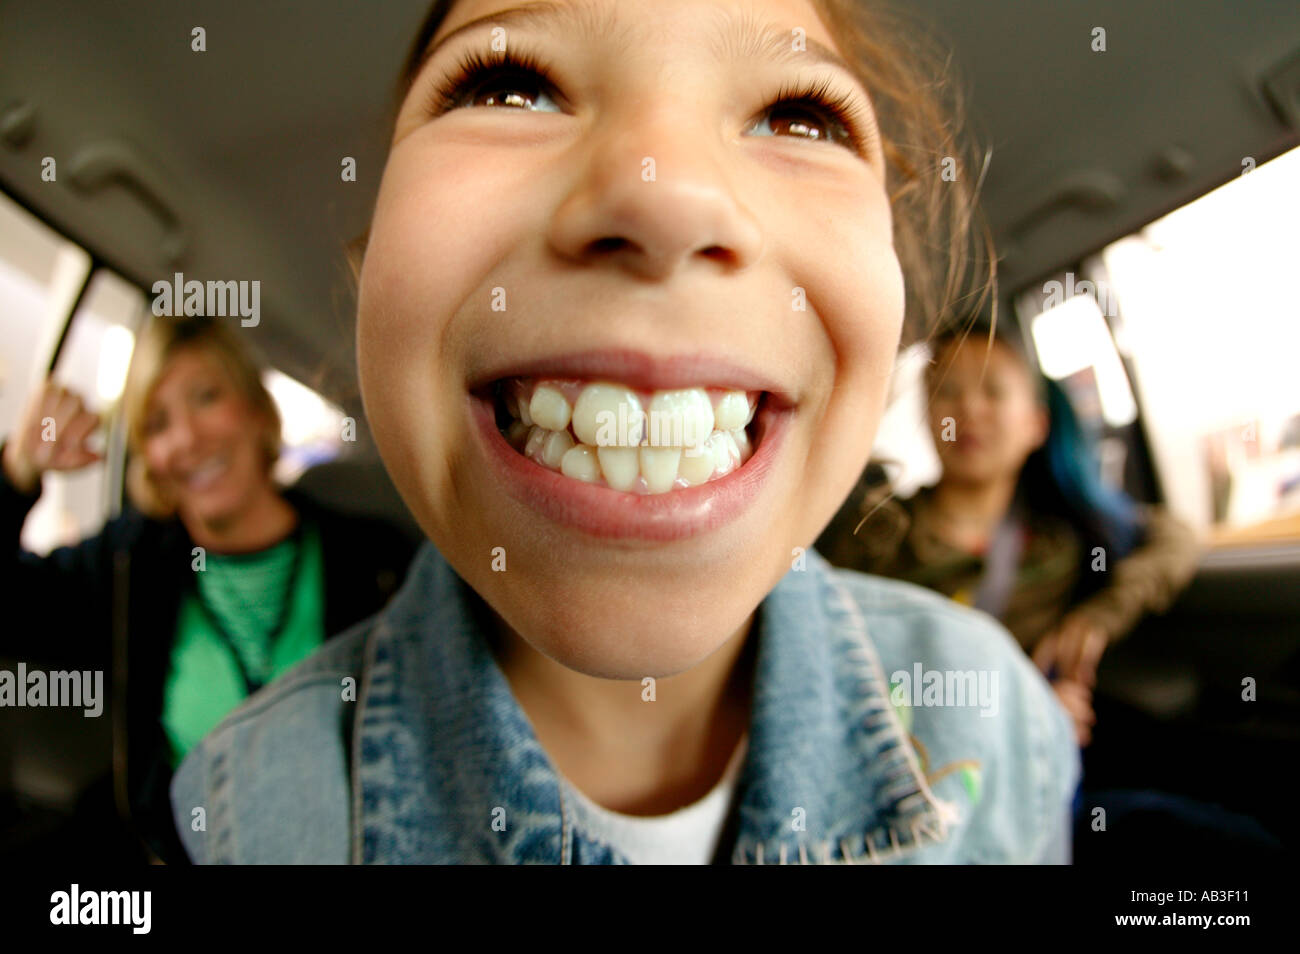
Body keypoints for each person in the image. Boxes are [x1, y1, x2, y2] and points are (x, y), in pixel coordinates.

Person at [171, 0, 1080, 864]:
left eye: (799, 118)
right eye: (510, 89)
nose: (664, 197)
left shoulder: (997, 723)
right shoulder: (241, 808)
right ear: (369, 266)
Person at [1, 316, 418, 863]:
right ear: (148, 457)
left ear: (255, 408)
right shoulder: (128, 565)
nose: (188, 438)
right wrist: (17, 471)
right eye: (157, 424)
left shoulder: (376, 558)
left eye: (207, 397)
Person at [816, 320, 1202, 747]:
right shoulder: (873, 533)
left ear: (1036, 425)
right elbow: (825, 659)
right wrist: (1025, 711)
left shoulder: (1058, 545)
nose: (969, 409)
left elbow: (1176, 538)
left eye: (994, 392)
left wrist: (1099, 618)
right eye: (947, 391)